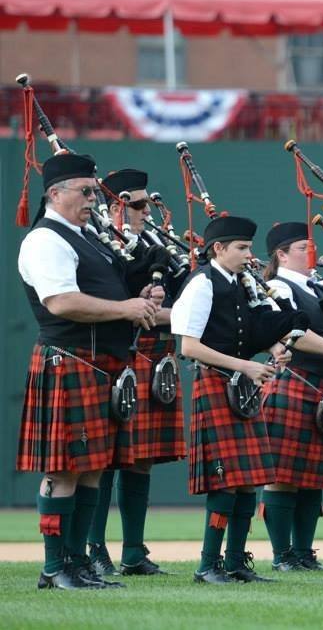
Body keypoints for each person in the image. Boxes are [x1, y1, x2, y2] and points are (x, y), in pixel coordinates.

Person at [18, 153, 163, 589]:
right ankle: (54, 566)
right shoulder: (45, 240)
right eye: (84, 192)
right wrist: (125, 308)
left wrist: (139, 297)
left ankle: (77, 562)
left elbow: (105, 292)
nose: (92, 201)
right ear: (54, 193)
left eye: (94, 193)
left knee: (93, 467)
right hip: (69, 361)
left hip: (102, 368)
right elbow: (61, 301)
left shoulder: (87, 237)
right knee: (63, 469)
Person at [171, 215, 322, 584]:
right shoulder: (202, 284)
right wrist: (246, 366)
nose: (248, 254)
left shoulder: (241, 283)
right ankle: (208, 565)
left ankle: (236, 563)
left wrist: (275, 348)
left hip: (241, 387)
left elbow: (253, 330)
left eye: (249, 247)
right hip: (216, 383)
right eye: (241, 248)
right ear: (218, 249)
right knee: (224, 483)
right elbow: (189, 346)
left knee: (246, 481)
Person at [87, 169, 186, 577]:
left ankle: (132, 551)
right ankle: (94, 548)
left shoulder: (156, 245)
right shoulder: (102, 243)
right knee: (105, 459)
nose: (147, 211)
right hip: (124, 354)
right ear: (117, 207)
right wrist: (176, 315)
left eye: (148, 204)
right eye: (139, 204)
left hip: (158, 355)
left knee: (140, 459)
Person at [259, 223, 323, 572]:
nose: (312, 253)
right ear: (281, 254)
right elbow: (290, 331)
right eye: (303, 248)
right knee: (283, 475)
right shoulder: (277, 287)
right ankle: (282, 555)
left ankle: (304, 553)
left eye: (312, 246)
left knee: (313, 475)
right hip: (296, 383)